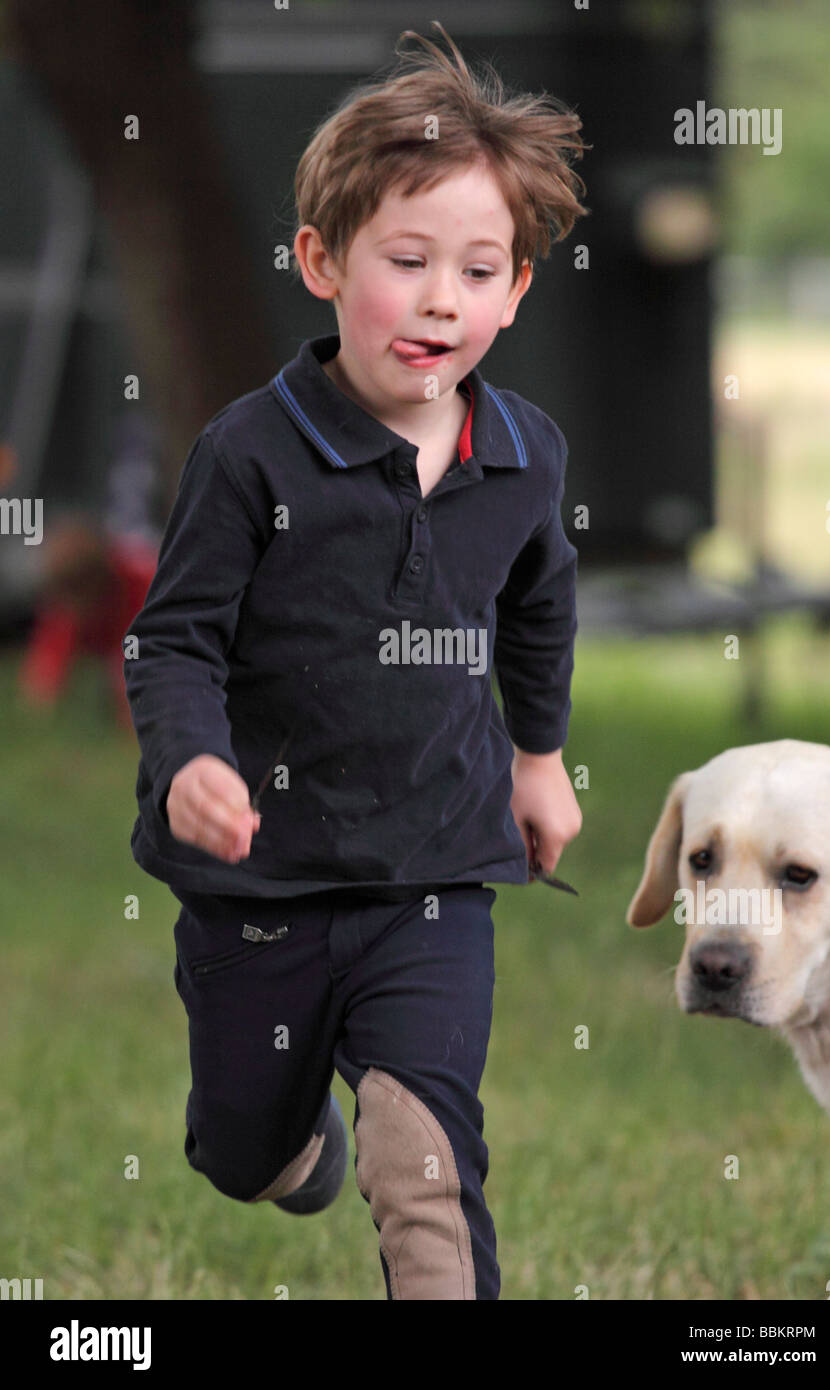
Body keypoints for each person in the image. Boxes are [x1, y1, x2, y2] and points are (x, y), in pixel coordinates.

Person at [123, 21, 587, 1300]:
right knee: (241, 1147)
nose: (443, 298)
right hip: (260, 877)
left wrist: (537, 758)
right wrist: (191, 761)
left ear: (516, 290)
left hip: (433, 873)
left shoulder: (525, 451)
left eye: (478, 269)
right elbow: (172, 639)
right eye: (408, 260)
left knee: (423, 1148)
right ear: (322, 263)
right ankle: (276, 1141)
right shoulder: (249, 454)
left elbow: (538, 603)